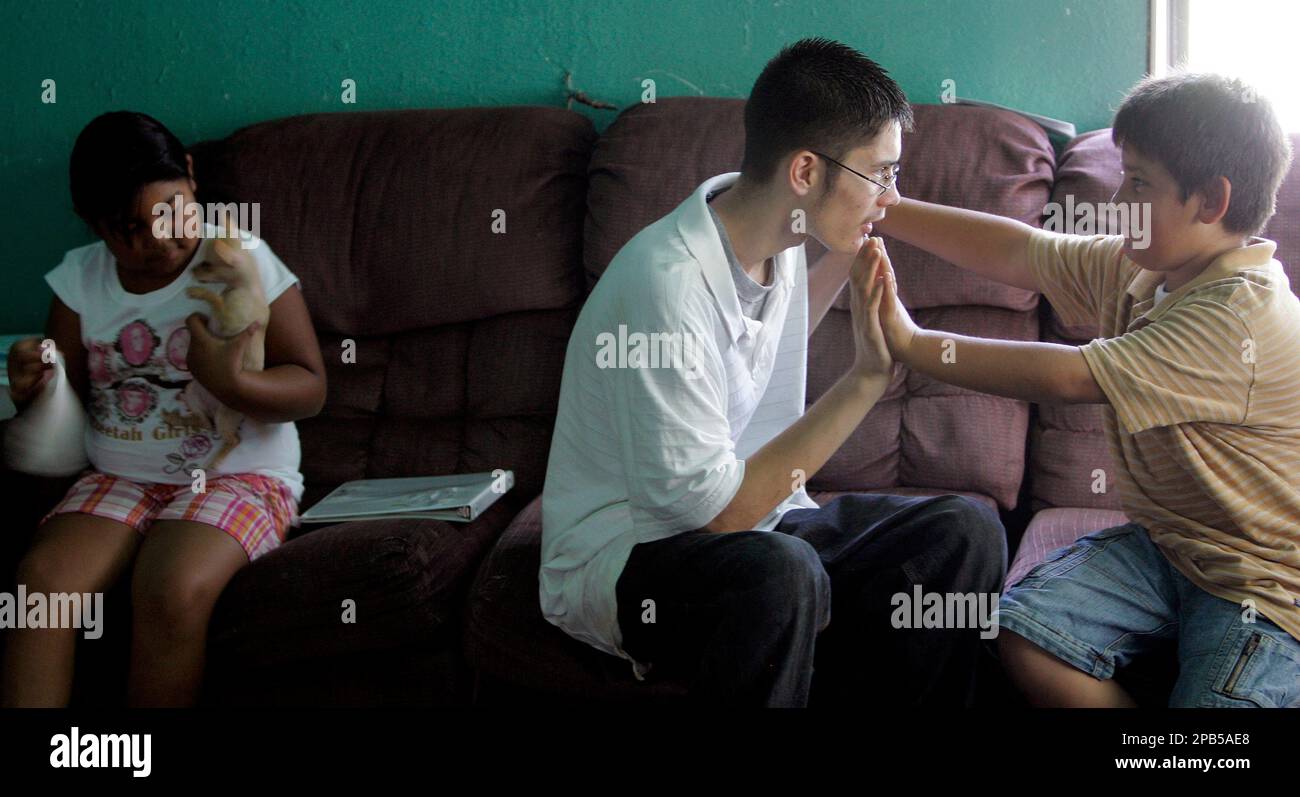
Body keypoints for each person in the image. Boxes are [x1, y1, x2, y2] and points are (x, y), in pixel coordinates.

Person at [540, 38, 1007, 707]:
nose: (892, 198)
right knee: (781, 576)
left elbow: (763, 342)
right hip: (629, 549)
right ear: (805, 172)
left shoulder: (779, 241)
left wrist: (846, 263)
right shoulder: (666, 287)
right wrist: (866, 379)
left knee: (963, 534)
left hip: (750, 522)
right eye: (881, 175)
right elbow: (719, 515)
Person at [873, 73, 1300, 707]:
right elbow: (1023, 252)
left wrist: (911, 344)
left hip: (1263, 584)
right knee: (1024, 635)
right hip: (1168, 547)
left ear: (1211, 200)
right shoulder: (1144, 267)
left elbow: (1070, 376)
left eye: (1140, 183)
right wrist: (892, 209)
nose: (1117, 198)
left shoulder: (1238, 316)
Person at [2, 111, 327, 707]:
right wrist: (33, 385)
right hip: (119, 474)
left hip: (239, 476)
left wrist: (231, 381)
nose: (161, 240)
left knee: (170, 588)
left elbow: (309, 386)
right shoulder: (80, 281)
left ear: (193, 180)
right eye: (129, 228)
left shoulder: (240, 256)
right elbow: (64, 395)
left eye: (173, 212)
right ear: (93, 224)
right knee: (41, 589)